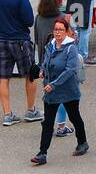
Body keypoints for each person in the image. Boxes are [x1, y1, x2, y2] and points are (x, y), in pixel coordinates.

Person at [0, 0, 41, 126]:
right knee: (30, 74)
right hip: (20, 39)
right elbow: (29, 20)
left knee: (4, 77)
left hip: (1, 39)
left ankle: (7, 114)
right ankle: (31, 110)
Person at [31, 15, 88, 165]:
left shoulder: (71, 48)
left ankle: (82, 142)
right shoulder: (50, 45)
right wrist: (42, 70)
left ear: (66, 31)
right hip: (51, 90)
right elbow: (45, 62)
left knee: (74, 117)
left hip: (67, 90)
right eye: (56, 29)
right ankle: (42, 153)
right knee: (48, 122)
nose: (57, 32)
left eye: (61, 30)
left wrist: (53, 84)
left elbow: (70, 70)